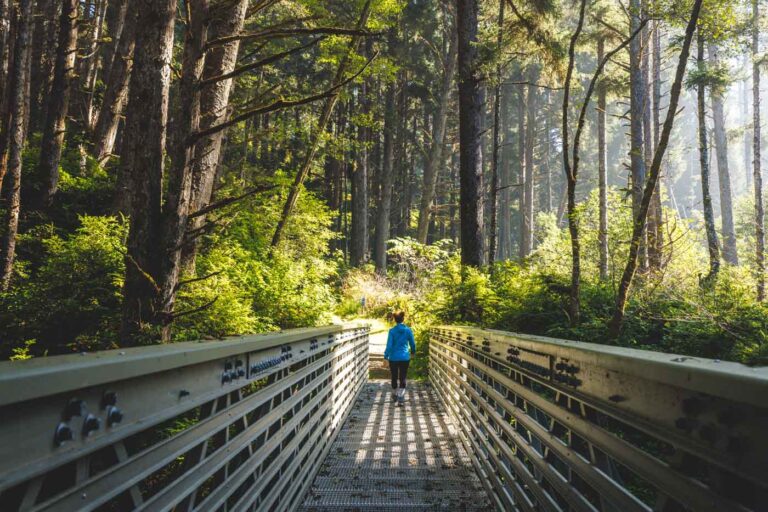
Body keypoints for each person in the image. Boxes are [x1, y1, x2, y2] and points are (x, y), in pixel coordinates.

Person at [384, 311, 416, 406]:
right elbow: (412, 343)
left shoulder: (392, 331)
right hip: (405, 357)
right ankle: (401, 397)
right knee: (403, 376)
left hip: (393, 358)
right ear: (403, 319)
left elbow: (389, 345)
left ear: (395, 320)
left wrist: (386, 356)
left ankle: (394, 395)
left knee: (394, 376)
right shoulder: (408, 330)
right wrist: (413, 352)